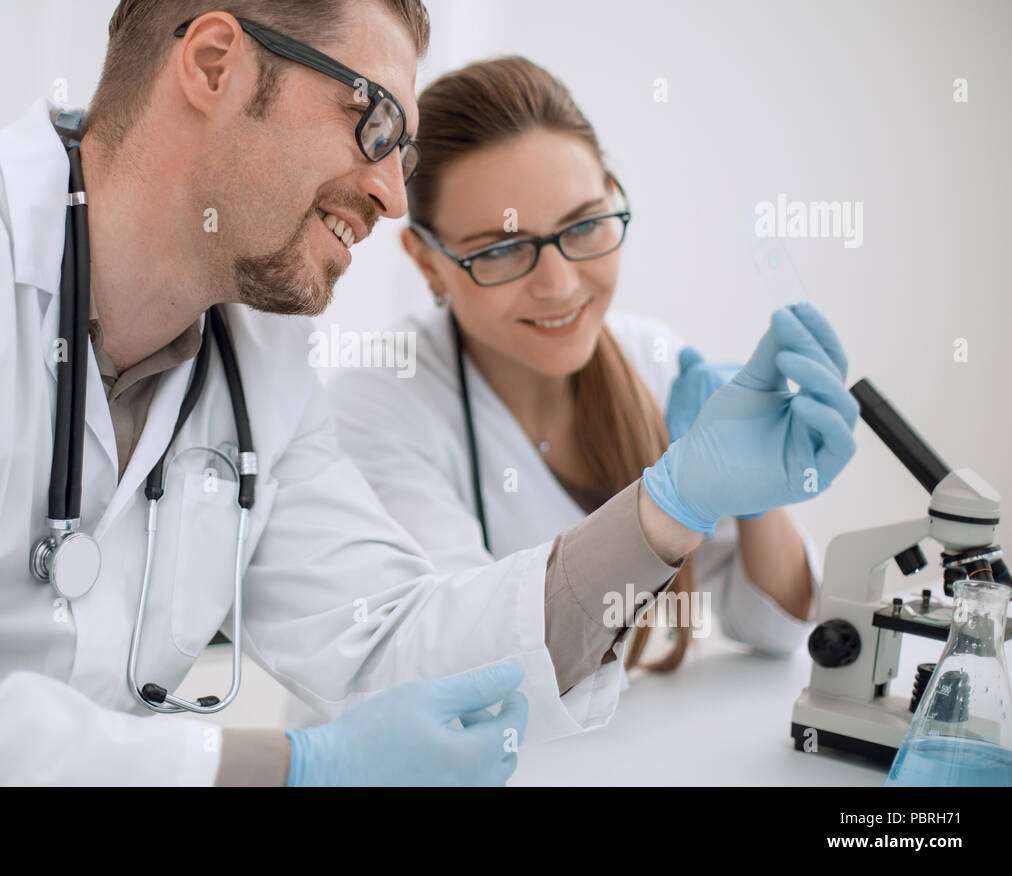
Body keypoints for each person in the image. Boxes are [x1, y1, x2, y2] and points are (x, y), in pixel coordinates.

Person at [0, 0, 857, 786]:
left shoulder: (255, 358)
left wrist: (666, 506)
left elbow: (392, 637)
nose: (391, 193)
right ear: (213, 65)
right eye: (374, 128)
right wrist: (284, 769)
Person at [323, 56, 825, 700]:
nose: (559, 287)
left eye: (584, 226)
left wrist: (759, 493)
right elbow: (472, 665)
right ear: (428, 261)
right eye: (501, 248)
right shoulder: (382, 406)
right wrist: (670, 509)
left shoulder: (659, 362)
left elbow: (777, 627)